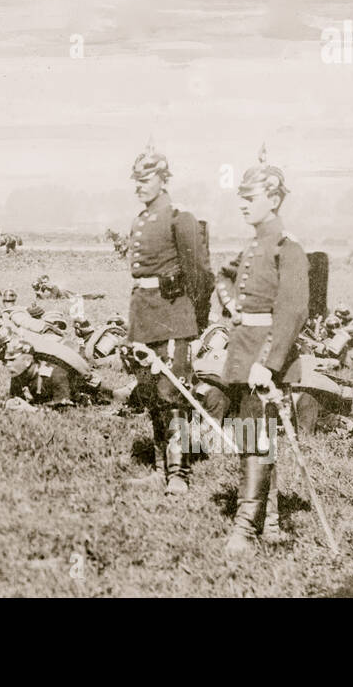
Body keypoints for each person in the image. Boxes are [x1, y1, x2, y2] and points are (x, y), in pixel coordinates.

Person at [219, 146, 309, 557]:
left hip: (264, 361)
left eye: (249, 198)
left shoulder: (287, 248)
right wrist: (229, 302)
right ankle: (269, 520)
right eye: (240, 197)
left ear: (272, 200)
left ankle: (244, 531)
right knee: (252, 439)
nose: (241, 205)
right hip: (242, 354)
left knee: (257, 441)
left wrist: (268, 364)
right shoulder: (255, 246)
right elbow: (225, 275)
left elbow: (291, 311)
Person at [122, 140, 212, 495]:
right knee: (151, 393)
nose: (140, 185)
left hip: (173, 313)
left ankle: (179, 475)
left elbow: (200, 272)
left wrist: (196, 318)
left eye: (147, 178)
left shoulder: (179, 217)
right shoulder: (141, 218)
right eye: (137, 179)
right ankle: (160, 469)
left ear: (164, 178)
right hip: (145, 314)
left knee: (172, 392)